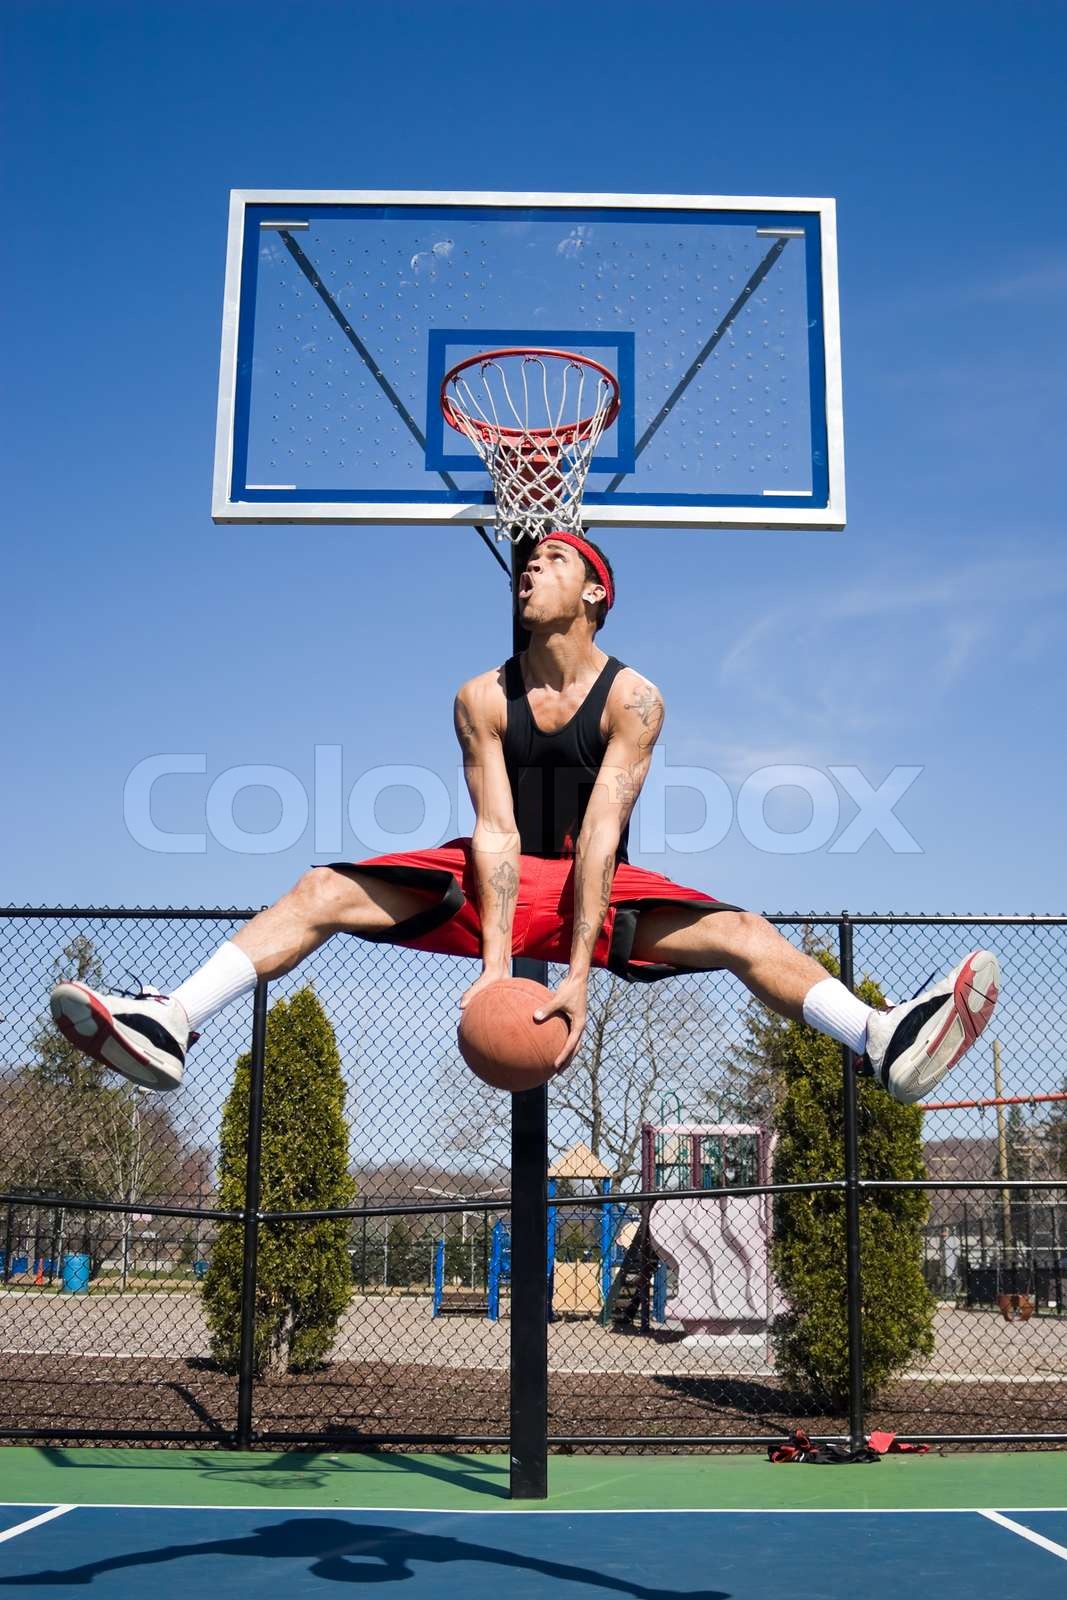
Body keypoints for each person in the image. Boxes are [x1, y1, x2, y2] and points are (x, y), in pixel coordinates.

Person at [50, 531, 999, 1104]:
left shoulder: (636, 699)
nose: (527, 572)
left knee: (746, 932)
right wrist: (499, 968)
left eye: (549, 561)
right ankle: (170, 1021)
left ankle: (880, 1040)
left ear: (593, 593)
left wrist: (577, 978)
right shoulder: (481, 696)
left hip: (597, 886)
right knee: (318, 889)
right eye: (524, 563)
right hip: (493, 880)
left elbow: (598, 836)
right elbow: (496, 832)